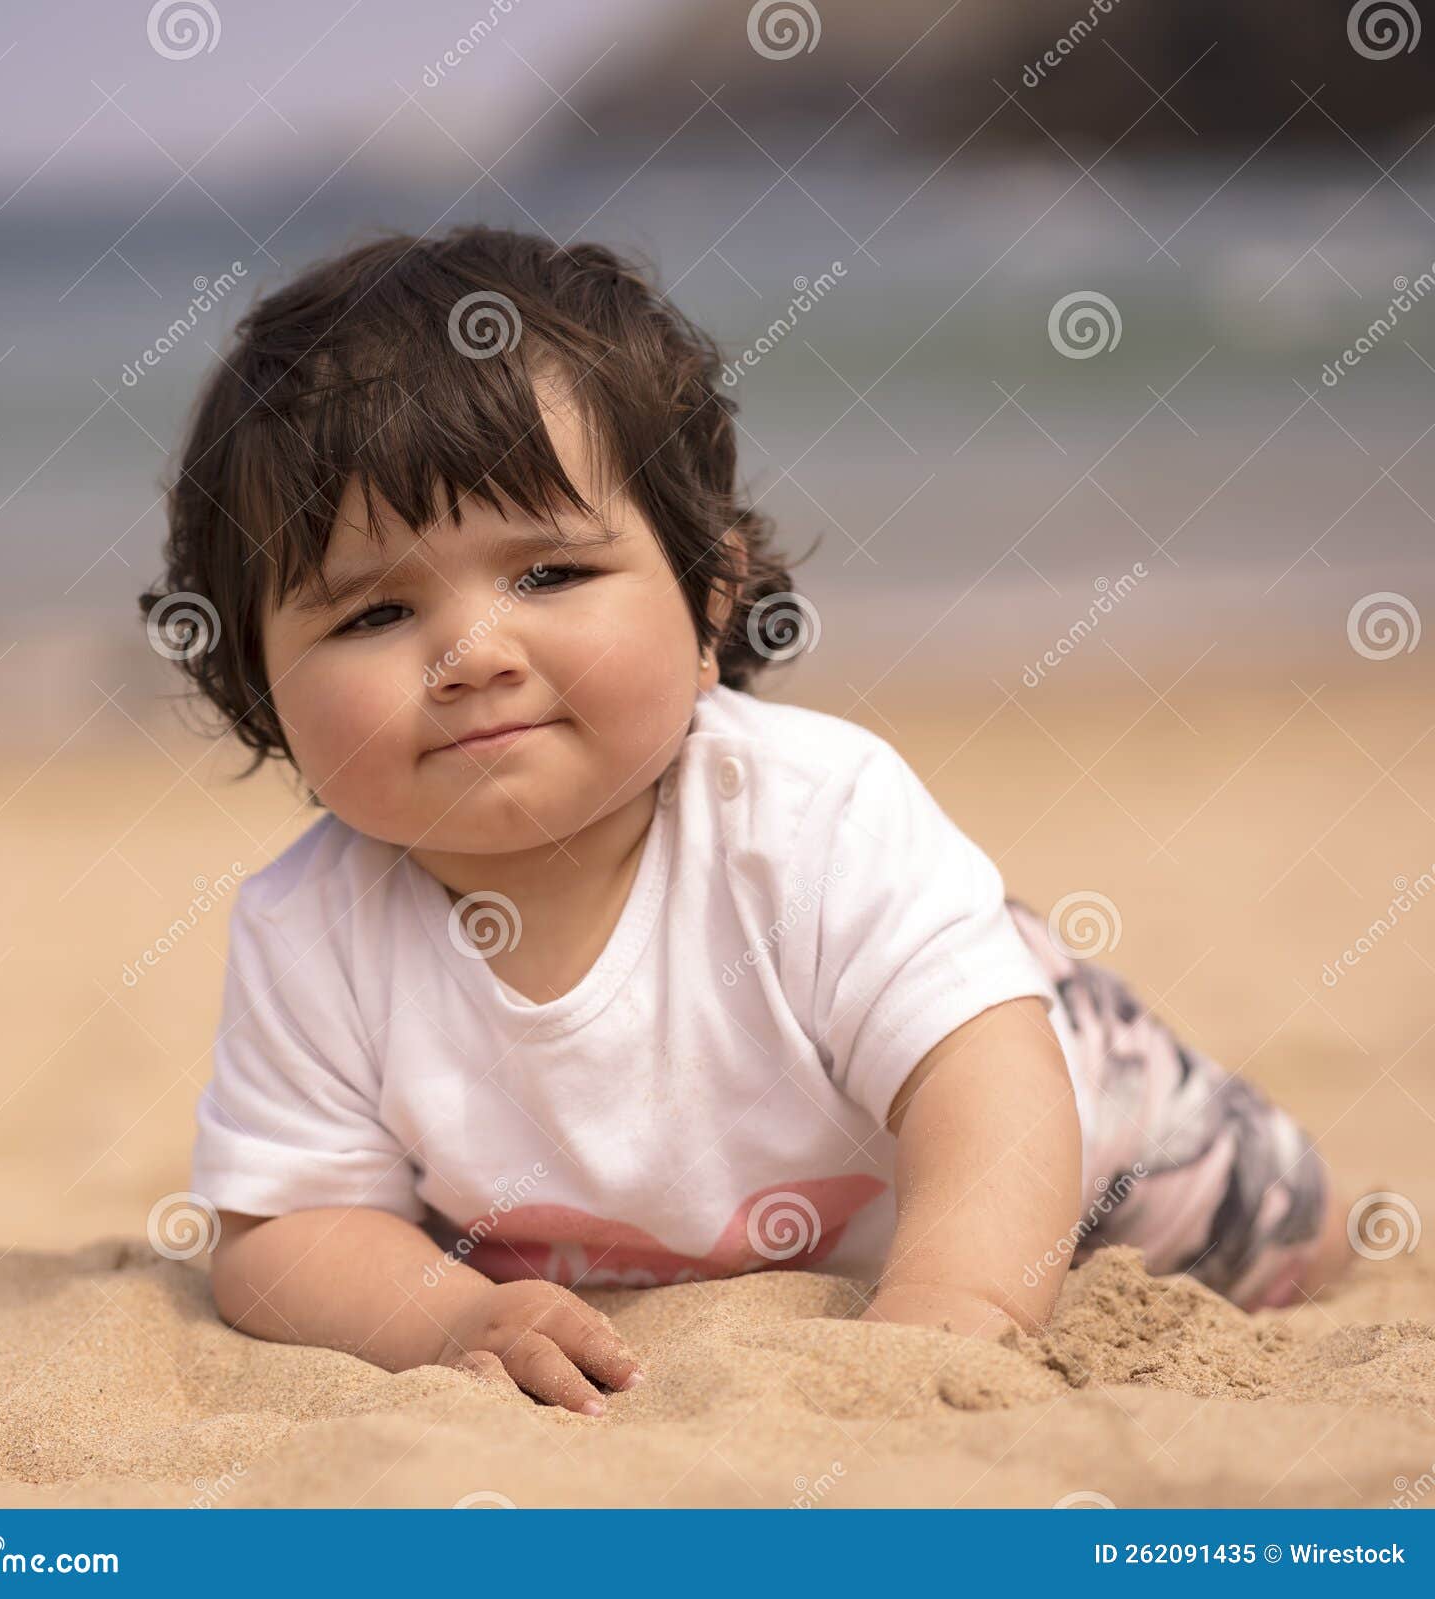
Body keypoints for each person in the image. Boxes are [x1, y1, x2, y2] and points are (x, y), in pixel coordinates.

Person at [139, 224, 1353, 1417]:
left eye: (548, 575)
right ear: (256, 684)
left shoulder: (807, 816)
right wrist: (447, 1315)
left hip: (1109, 1140)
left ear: (710, 598)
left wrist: (951, 1307)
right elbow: (286, 1230)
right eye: (368, 617)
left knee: (1291, 1237)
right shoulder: (312, 929)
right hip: (713, 1238)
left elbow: (984, 1082)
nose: (468, 654)